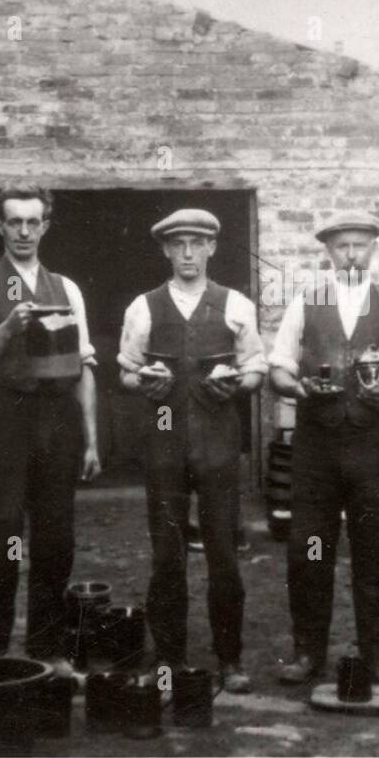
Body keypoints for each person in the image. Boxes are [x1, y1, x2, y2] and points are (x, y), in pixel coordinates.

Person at [269, 212, 379, 685]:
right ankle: (308, 652)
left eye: (359, 246)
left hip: (373, 448)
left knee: (375, 550)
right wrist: (298, 389)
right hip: (316, 451)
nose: (350, 254)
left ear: (373, 250)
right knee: (309, 549)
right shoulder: (305, 303)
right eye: (341, 246)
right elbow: (277, 368)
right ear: (328, 252)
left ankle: (378, 654)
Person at [117, 209, 266, 693]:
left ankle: (230, 659)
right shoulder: (144, 307)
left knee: (224, 554)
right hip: (164, 445)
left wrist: (240, 384)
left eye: (196, 243)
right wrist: (144, 382)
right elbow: (125, 370)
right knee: (167, 554)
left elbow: (256, 368)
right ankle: (171, 657)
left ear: (211, 248)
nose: (187, 253)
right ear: (165, 249)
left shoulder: (235, 304)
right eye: (178, 244)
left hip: (219, 447)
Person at [0, 184, 101, 660]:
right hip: (3, 426)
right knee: (1, 546)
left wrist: (92, 441)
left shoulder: (68, 289)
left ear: (45, 227)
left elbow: (84, 368)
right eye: (14, 221)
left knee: (55, 546)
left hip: (58, 426)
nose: (23, 231)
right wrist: (6, 329)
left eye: (32, 222)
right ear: (0, 226)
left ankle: (47, 657)